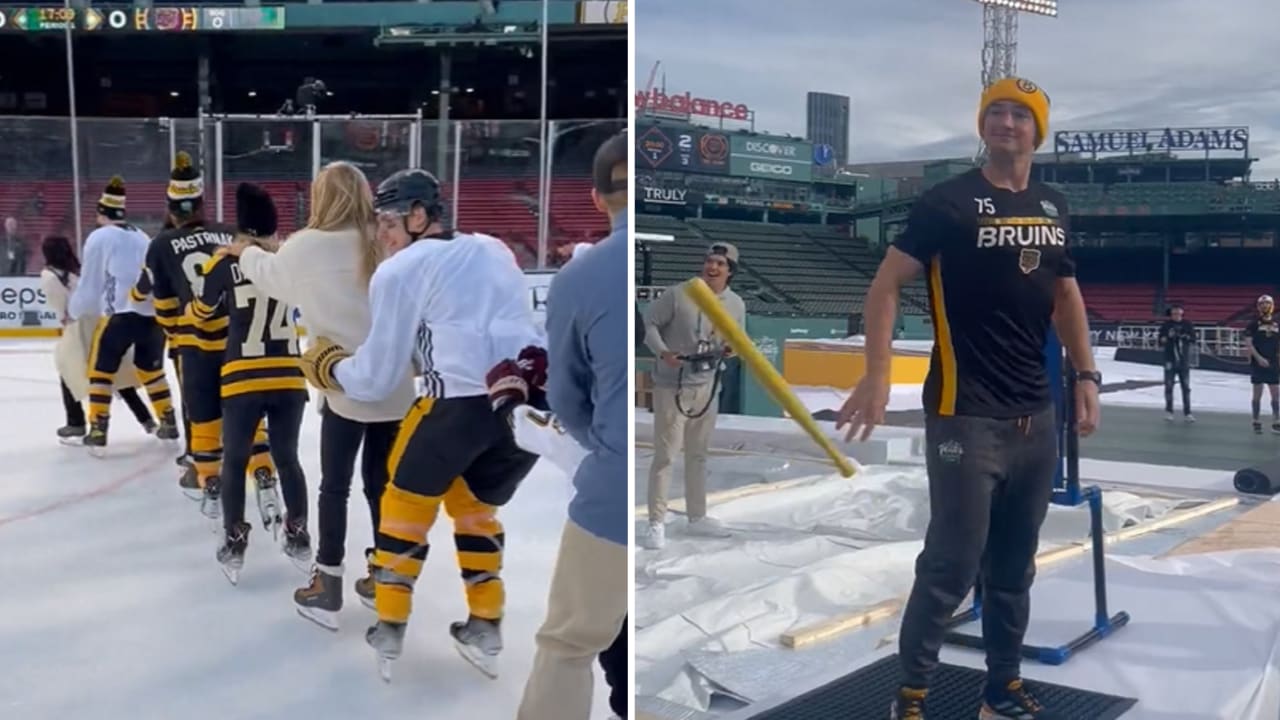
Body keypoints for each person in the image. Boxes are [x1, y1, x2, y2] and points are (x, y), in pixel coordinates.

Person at [834, 76, 1100, 720]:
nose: (1006, 123)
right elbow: (885, 286)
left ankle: (1000, 690)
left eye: (1019, 115)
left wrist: (1086, 375)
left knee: (1014, 566)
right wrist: (877, 373)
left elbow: (1065, 295)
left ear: (1039, 130)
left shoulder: (1052, 205)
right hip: (964, 414)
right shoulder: (946, 203)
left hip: (1036, 415)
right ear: (984, 125)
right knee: (952, 564)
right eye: (996, 113)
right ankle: (912, 697)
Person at [298, 168, 543, 681]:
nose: (381, 235)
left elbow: (374, 377)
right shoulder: (492, 248)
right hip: (518, 412)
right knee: (477, 515)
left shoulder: (403, 267)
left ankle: (388, 625)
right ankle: (485, 622)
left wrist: (325, 364)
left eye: (388, 221)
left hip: (450, 408)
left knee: (402, 509)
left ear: (417, 215)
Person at [222, 161, 415, 628]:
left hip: (342, 383)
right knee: (382, 487)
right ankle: (385, 574)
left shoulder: (306, 246)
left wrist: (243, 251)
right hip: (394, 387)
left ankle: (327, 582)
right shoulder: (387, 241)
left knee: (335, 486)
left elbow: (269, 276)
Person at [517, 130, 628, 720]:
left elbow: (566, 400)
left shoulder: (578, 280)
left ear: (595, 199)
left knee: (569, 645)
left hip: (613, 495)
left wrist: (605, 448)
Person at [130, 151, 282, 518]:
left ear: (171, 207)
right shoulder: (230, 233)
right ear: (201, 203)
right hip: (239, 342)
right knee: (243, 409)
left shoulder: (161, 244)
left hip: (195, 343)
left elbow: (164, 305)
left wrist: (177, 334)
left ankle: (203, 471)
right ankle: (262, 468)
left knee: (200, 410)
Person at [189, 183, 312, 583]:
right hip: (289, 376)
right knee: (288, 458)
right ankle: (298, 533)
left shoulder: (223, 264)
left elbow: (201, 314)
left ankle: (235, 538)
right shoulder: (288, 261)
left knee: (236, 460)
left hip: (242, 377)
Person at [641, 242, 746, 549]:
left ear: (730, 271)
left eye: (720, 264)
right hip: (672, 385)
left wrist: (730, 349)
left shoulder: (736, 304)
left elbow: (739, 340)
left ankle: (697, 516)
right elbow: (650, 324)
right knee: (665, 455)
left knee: (698, 455)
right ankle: (656, 522)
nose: (712, 267)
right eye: (709, 261)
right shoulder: (678, 293)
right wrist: (663, 353)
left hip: (707, 385)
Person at [66, 176, 179, 455]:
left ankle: (98, 428)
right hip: (153, 316)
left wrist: (75, 310)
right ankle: (168, 421)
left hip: (121, 314)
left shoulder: (100, 236)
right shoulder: (141, 235)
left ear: (101, 213)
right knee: (151, 369)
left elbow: (91, 283)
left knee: (101, 371)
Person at [40, 234, 156, 441]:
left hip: (77, 327)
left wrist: (63, 315)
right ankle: (146, 419)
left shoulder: (49, 275)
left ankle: (77, 423)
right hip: (97, 323)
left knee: (69, 369)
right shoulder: (77, 271)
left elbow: (60, 307)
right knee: (115, 372)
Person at [1246, 294, 1280, 434]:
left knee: (1275, 393)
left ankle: (1276, 421)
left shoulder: (1277, 323)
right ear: (1258, 306)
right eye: (1262, 304)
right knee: (1257, 393)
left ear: (1272, 305)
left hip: (1273, 362)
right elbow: (1249, 344)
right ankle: (1256, 420)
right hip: (1258, 363)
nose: (1265, 306)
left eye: (1267, 303)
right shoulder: (1253, 324)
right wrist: (1259, 358)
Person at [1158, 302, 1195, 423]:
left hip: (1184, 361)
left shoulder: (1187, 324)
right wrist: (1168, 337)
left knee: (1186, 387)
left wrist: (1184, 337)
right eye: (1174, 313)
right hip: (1170, 359)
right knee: (1169, 386)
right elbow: (1160, 340)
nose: (1176, 315)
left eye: (1178, 313)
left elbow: (1193, 339)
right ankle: (1169, 411)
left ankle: (1187, 412)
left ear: (1182, 313)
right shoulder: (1166, 325)